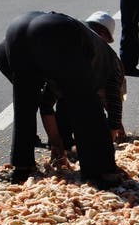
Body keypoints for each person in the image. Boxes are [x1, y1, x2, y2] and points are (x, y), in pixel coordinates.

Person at [0, 11, 123, 187]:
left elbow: (46, 105)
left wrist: (56, 142)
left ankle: (22, 167)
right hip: (55, 31)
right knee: (86, 103)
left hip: (17, 28)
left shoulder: (68, 69)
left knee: (25, 101)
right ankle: (100, 172)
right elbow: (114, 113)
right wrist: (110, 139)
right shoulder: (113, 68)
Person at [50, 11, 127, 153]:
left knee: (65, 97)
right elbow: (113, 96)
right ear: (103, 32)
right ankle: (86, 149)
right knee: (84, 102)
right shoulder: (108, 57)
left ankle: (64, 143)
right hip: (78, 91)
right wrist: (114, 127)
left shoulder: (73, 34)